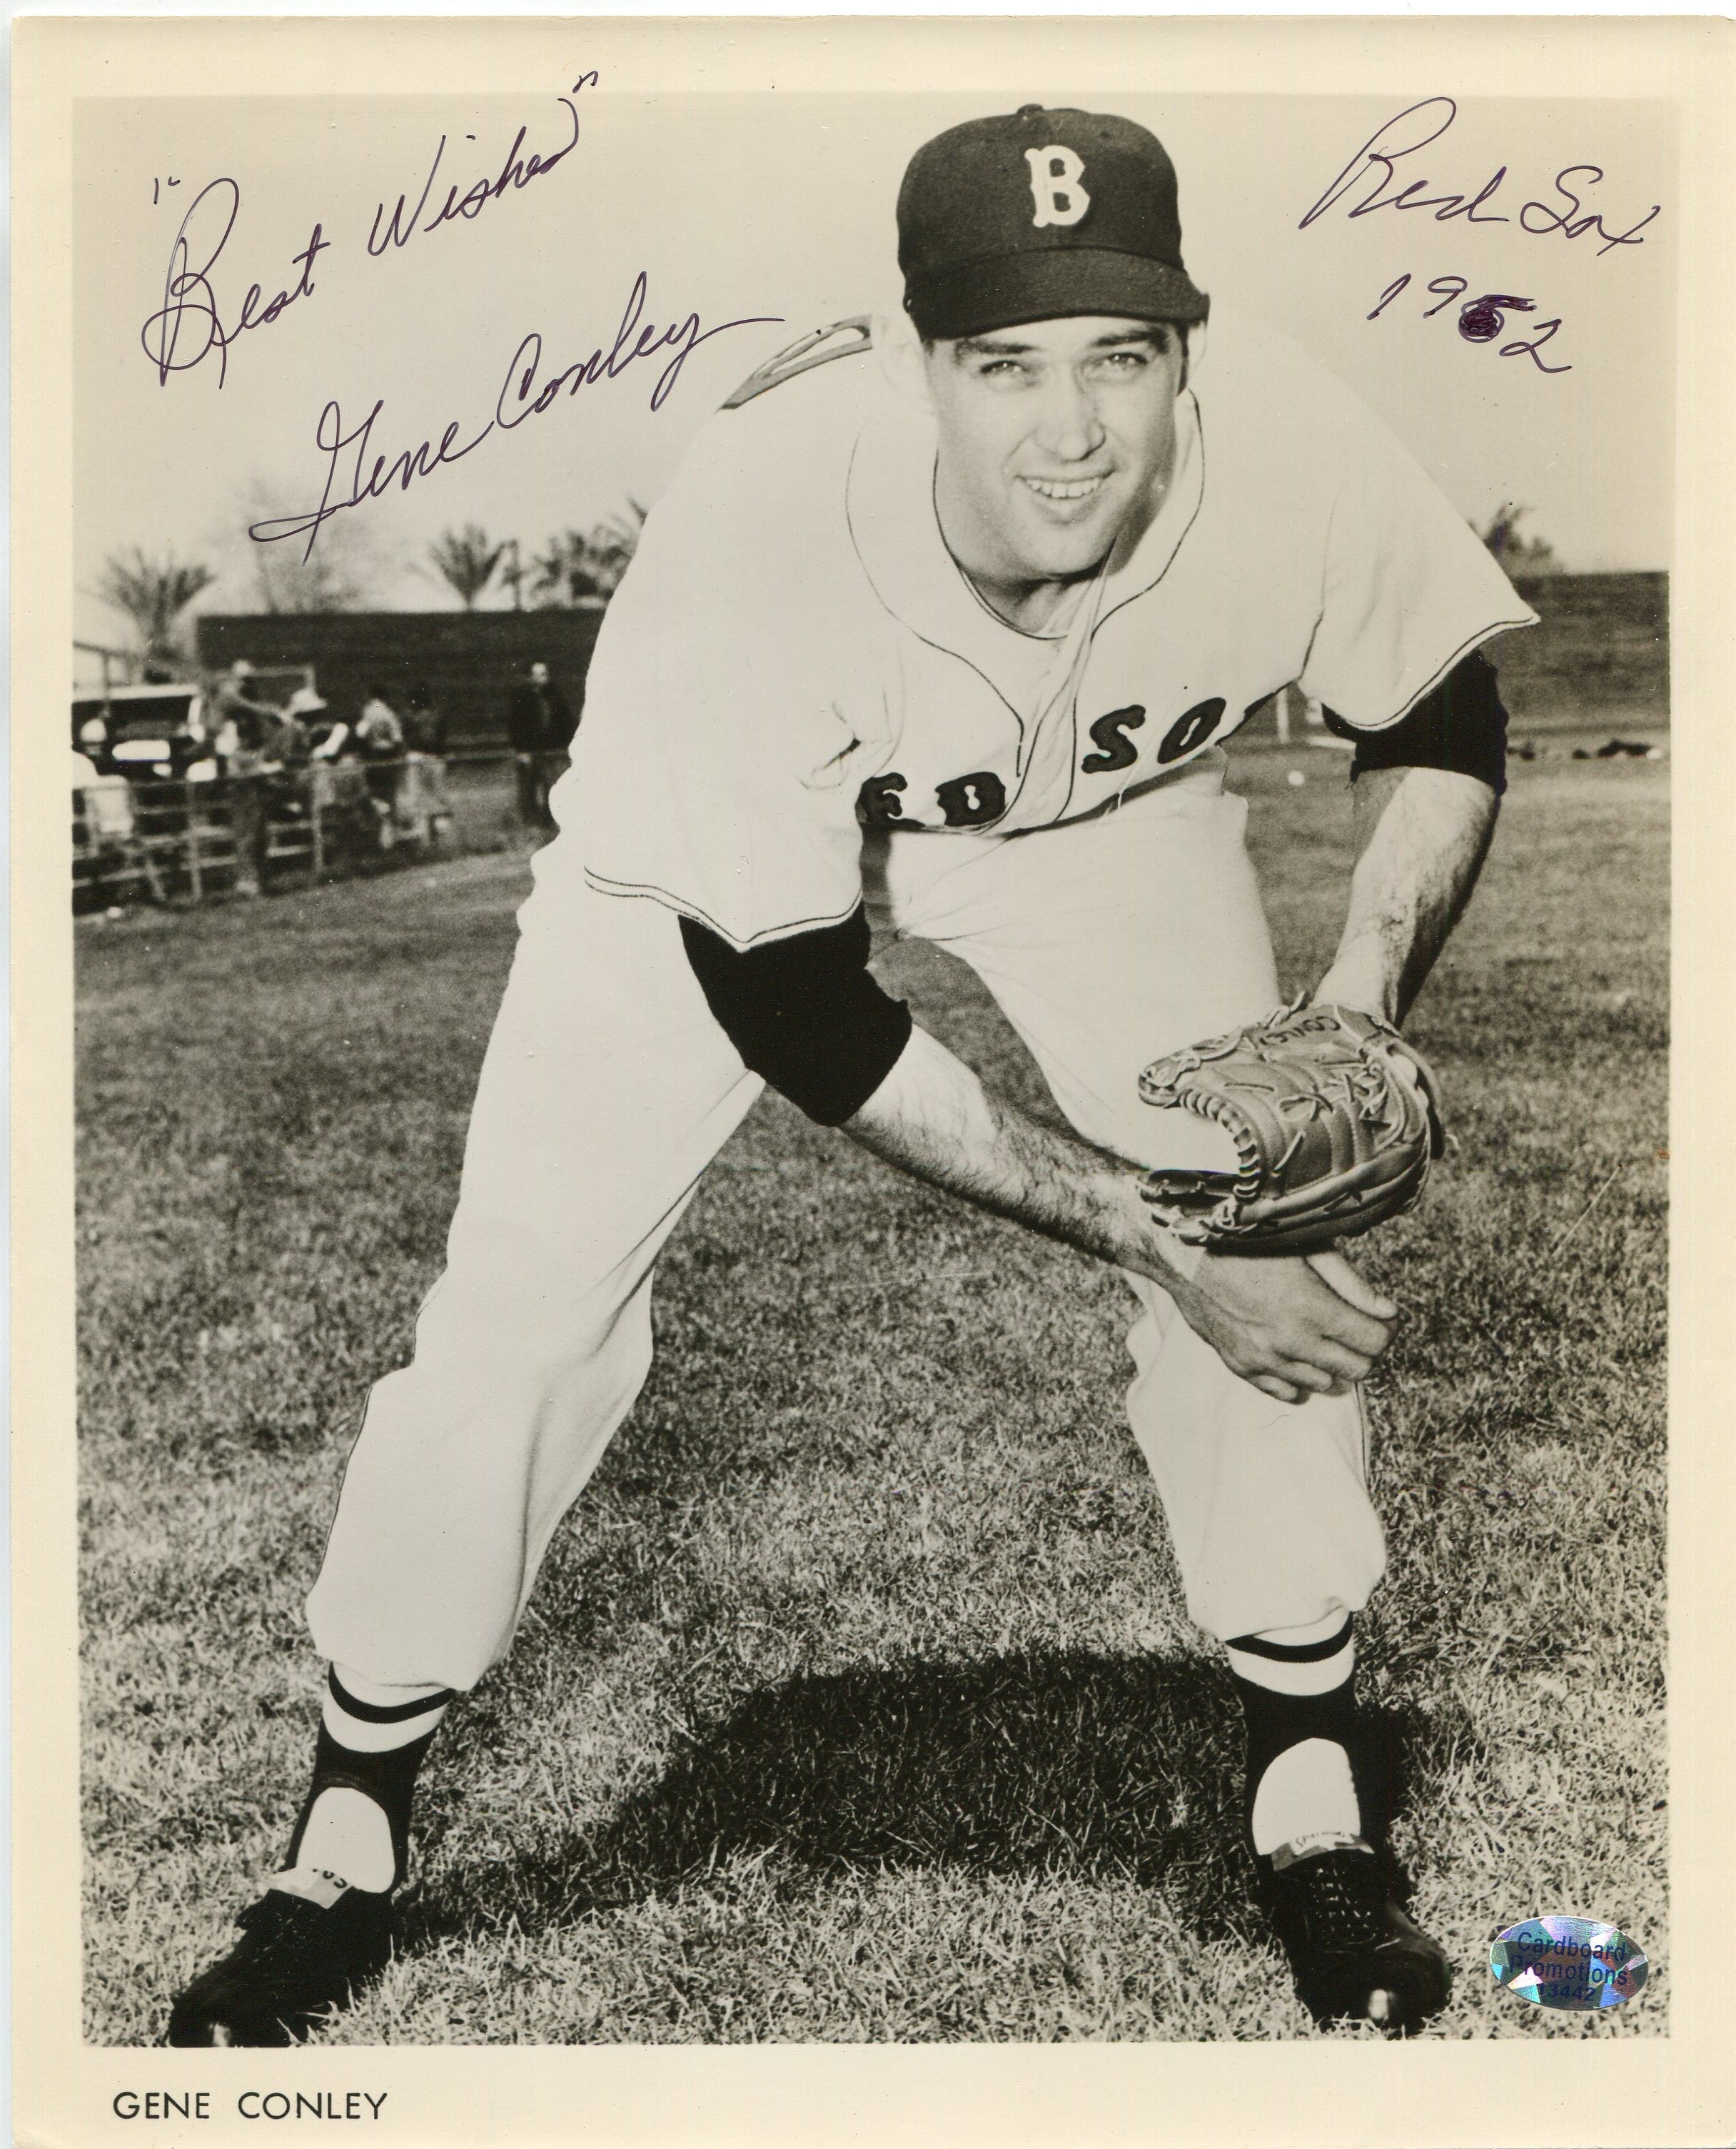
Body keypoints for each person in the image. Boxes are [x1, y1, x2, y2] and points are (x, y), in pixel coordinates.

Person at [169, 105, 1533, 2047]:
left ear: (1184, 357)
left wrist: (1363, 998)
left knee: (1267, 1211)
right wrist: (1149, 1235)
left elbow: (1447, 703)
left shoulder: (1296, 447)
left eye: (1120, 360)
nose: (1069, 425)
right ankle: (348, 1828)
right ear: (921, 368)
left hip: (1097, 817)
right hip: (706, 891)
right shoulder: (764, 524)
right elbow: (796, 997)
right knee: (525, 1322)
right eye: (1005, 366)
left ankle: (1310, 1791)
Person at [212, 660, 285, 897]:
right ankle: (247, 881)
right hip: (238, 774)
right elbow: (233, 701)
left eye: (249, 680)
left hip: (253, 772)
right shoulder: (229, 698)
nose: (247, 685)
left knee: (259, 829)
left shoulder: (247, 708)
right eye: (244, 680)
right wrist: (268, 712)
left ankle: (259, 879)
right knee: (246, 830)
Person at [504, 658, 575, 828]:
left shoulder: (555, 696)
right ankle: (530, 824)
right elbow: (515, 726)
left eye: (544, 674)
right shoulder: (521, 698)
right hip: (530, 752)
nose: (541, 678)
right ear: (529, 677)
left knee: (552, 788)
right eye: (537, 675)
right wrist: (521, 751)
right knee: (528, 790)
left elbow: (567, 722)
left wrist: (566, 747)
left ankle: (550, 822)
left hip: (552, 752)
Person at [355, 685, 407, 848]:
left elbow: (361, 733)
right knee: (389, 794)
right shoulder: (387, 712)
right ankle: (390, 836)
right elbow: (397, 738)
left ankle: (378, 832)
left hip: (371, 755)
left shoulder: (368, 711)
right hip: (387, 754)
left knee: (373, 793)